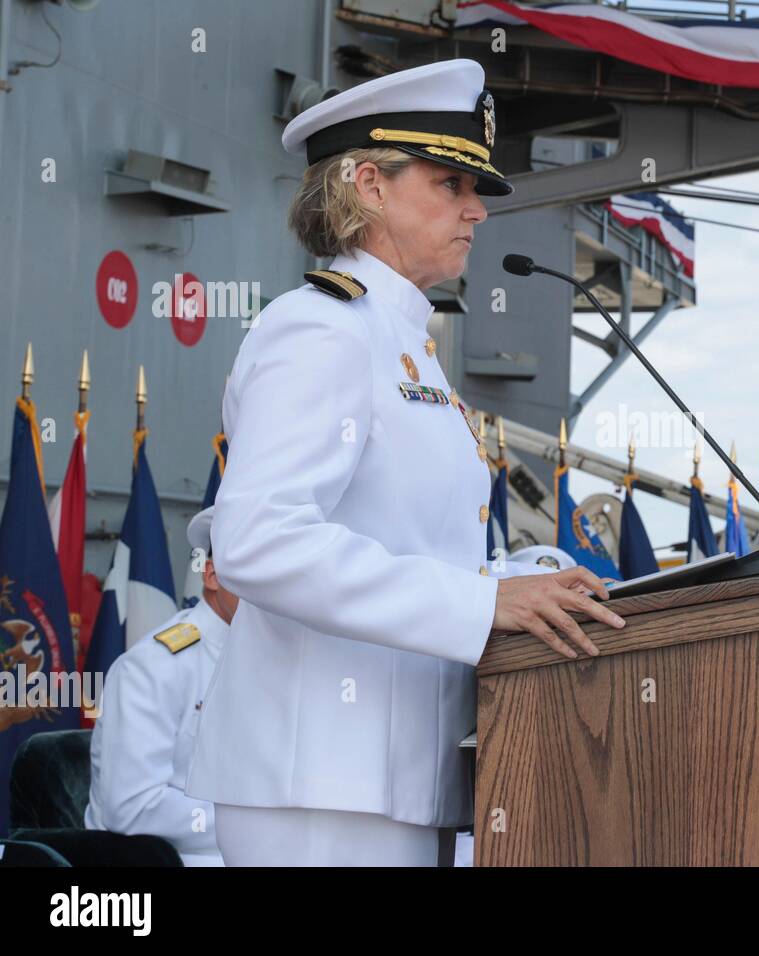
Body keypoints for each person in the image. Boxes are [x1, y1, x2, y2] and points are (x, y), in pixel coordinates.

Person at [184, 59, 625, 867]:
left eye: (475, 188)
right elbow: (258, 542)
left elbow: (405, 543)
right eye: (451, 184)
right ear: (369, 186)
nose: (476, 211)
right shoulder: (319, 329)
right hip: (316, 782)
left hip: (389, 778)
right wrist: (482, 603)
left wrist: (517, 581)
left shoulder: (403, 348)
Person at [85, 508, 236, 866]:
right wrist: (261, 822)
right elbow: (132, 807)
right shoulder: (154, 666)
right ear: (212, 576)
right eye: (253, 571)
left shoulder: (272, 661)